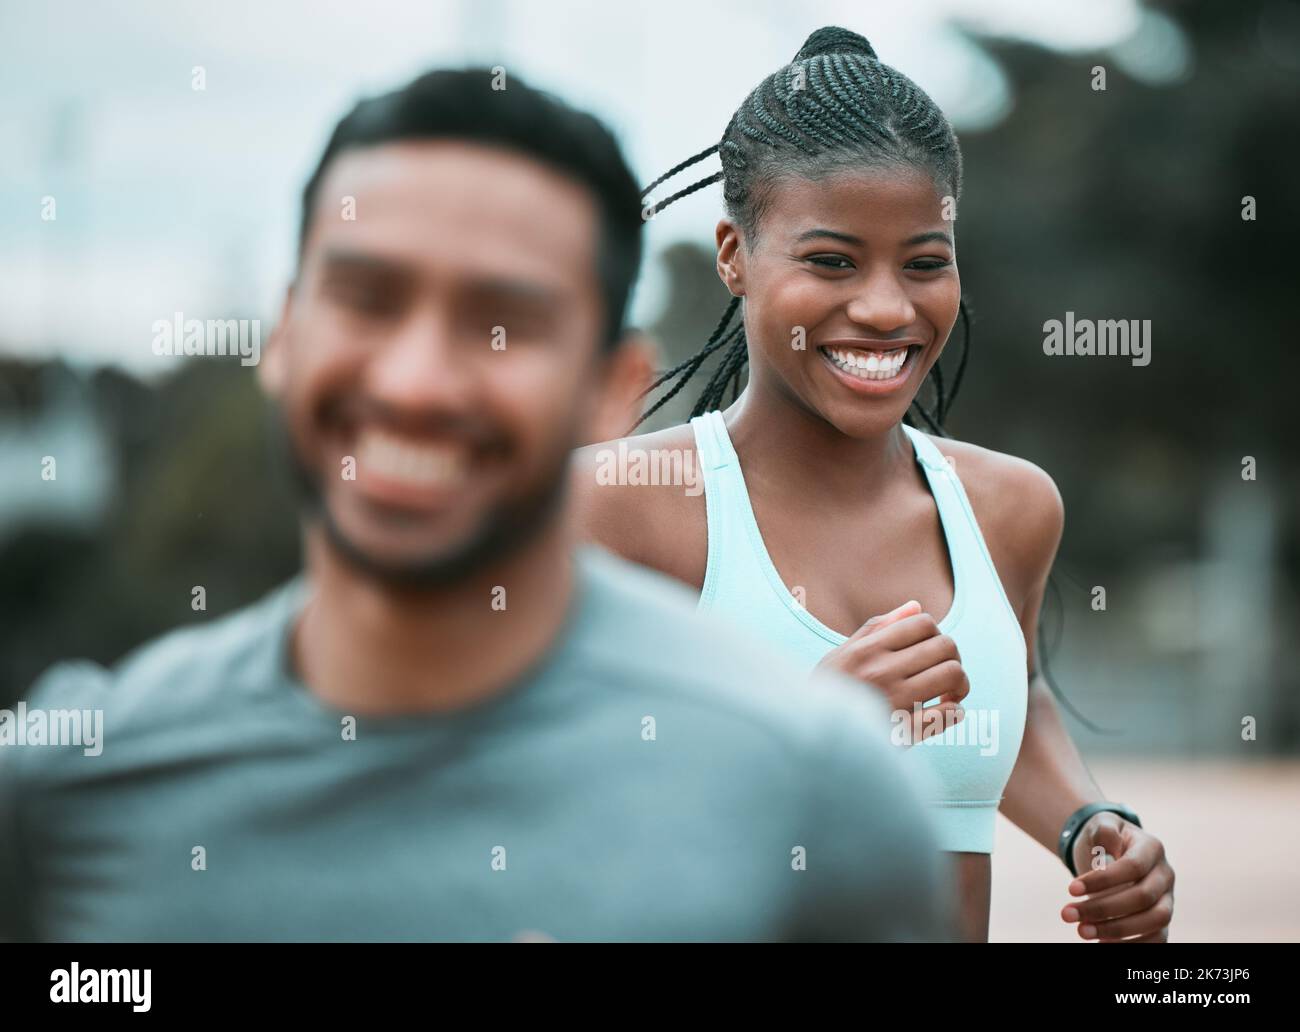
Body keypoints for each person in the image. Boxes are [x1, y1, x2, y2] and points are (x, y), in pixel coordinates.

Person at [0, 66, 956, 943]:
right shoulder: (74, 783)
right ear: (284, 335)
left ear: (612, 389)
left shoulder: (821, 799)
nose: (418, 381)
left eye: (503, 324)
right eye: (368, 297)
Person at [573, 27, 1175, 943]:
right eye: (831, 261)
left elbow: (1008, 698)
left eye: (925, 262)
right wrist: (805, 733)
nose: (889, 308)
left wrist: (1089, 824)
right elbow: (545, 811)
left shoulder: (1009, 508)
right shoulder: (623, 504)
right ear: (734, 255)